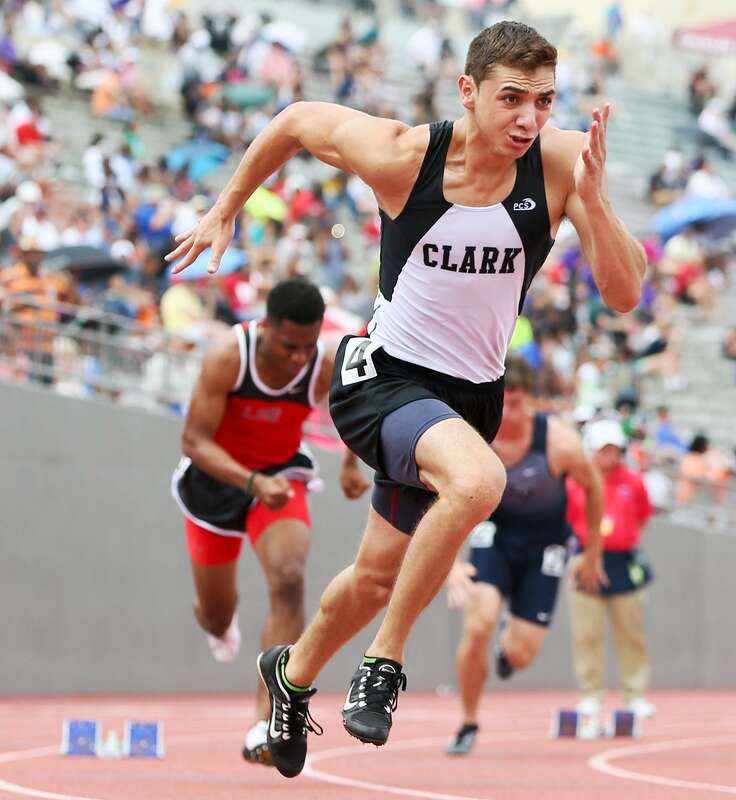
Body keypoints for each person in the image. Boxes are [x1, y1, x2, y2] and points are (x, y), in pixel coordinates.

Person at [168, 20, 645, 778]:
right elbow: (294, 120)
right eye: (512, 99)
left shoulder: (558, 165)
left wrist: (596, 201)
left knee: (376, 577)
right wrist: (228, 205)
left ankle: (287, 678)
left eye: (545, 102)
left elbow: (623, 293)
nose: (529, 119)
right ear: (468, 92)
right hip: (383, 379)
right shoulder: (404, 155)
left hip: (467, 403)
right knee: (481, 481)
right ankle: (383, 664)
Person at [171, 279, 370, 765]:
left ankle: (267, 719)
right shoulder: (227, 358)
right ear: (265, 328)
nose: (299, 359)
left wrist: (349, 462)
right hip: (215, 483)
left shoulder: (318, 365)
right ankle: (219, 625)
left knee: (288, 579)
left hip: (280, 478)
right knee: (217, 614)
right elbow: (194, 441)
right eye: (288, 347)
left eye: (308, 346)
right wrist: (249, 481)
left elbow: (351, 409)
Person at [442, 355, 606, 755]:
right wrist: (449, 565)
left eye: (516, 402)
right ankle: (467, 721)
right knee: (478, 625)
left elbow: (594, 488)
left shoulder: (559, 442)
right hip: (494, 538)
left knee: (522, 653)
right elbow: (439, 495)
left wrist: (592, 554)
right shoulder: (477, 435)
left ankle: (506, 649)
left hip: (545, 547)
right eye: (503, 401)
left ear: (530, 399)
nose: (509, 412)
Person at [566, 419, 657, 719]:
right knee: (587, 633)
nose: (611, 455)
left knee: (631, 632)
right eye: (604, 449)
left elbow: (643, 515)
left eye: (615, 448)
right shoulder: (576, 481)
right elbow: (567, 521)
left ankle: (635, 695)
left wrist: (621, 538)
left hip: (623, 560)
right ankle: (590, 694)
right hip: (585, 559)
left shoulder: (633, 481)